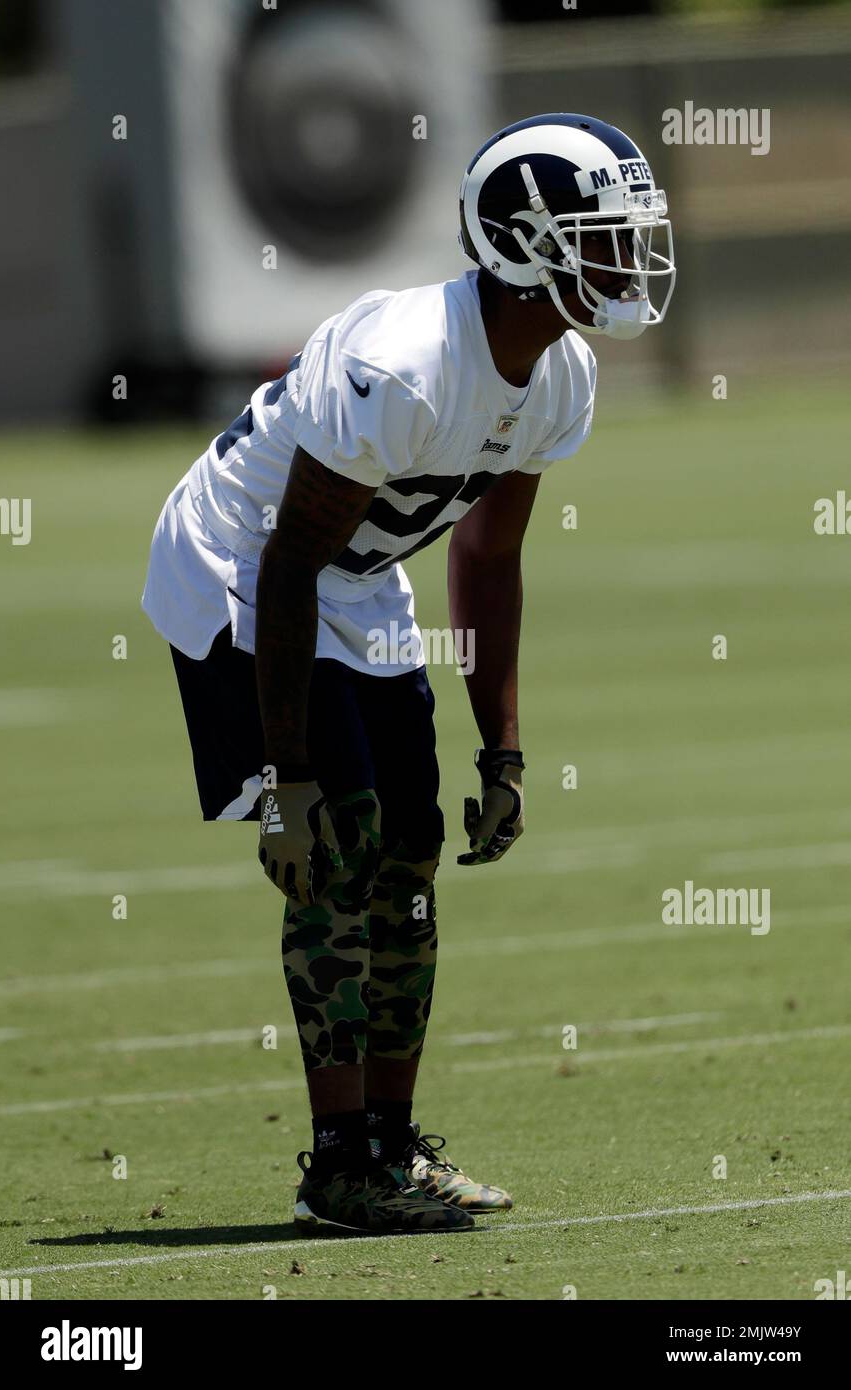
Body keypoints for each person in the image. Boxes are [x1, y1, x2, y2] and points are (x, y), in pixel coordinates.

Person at [142, 112, 676, 1235]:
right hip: (245, 562)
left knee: (410, 861)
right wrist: (286, 776)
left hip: (353, 574)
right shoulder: (406, 365)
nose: (626, 259)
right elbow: (285, 563)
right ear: (525, 244)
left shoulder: (559, 375)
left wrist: (505, 749)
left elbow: (486, 557)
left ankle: (391, 1145)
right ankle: (335, 1167)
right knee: (334, 847)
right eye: (602, 235)